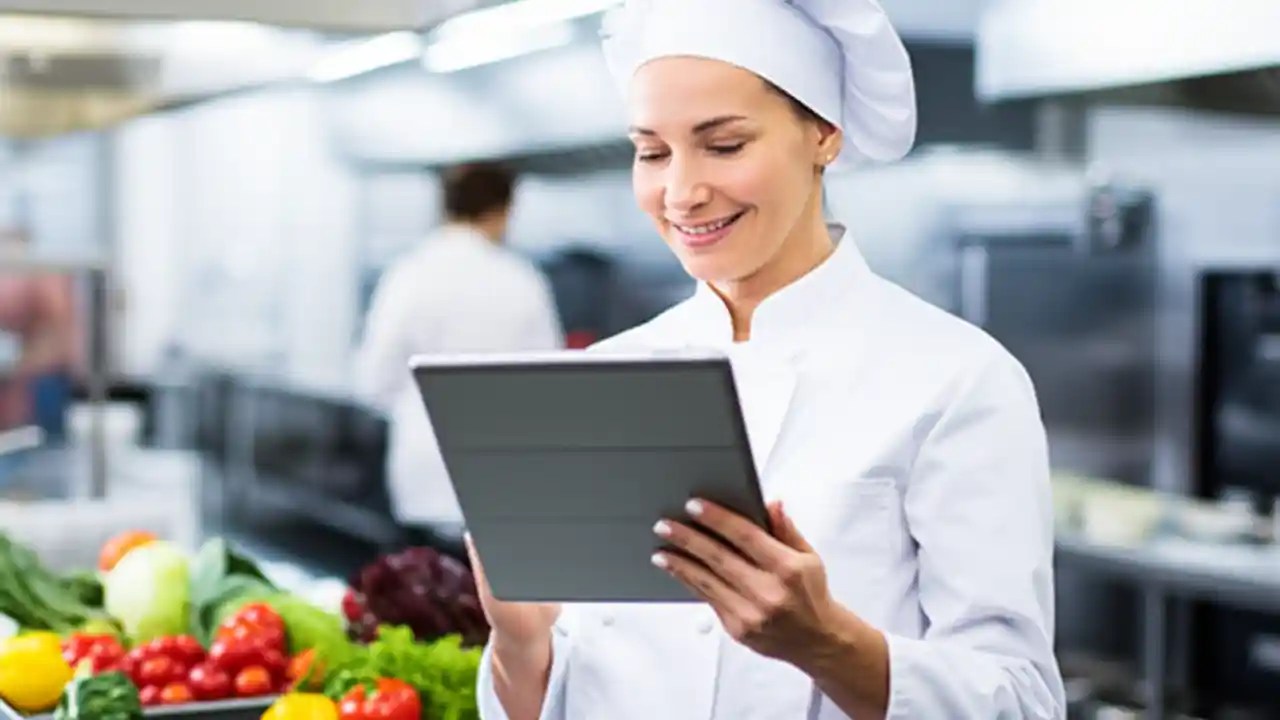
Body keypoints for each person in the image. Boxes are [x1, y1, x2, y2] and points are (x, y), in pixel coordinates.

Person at [468, 1, 1065, 719]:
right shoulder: (608, 375)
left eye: (724, 145)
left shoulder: (956, 378)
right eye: (652, 153)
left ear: (824, 133)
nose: (681, 193)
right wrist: (521, 645)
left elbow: (1022, 701)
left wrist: (829, 643)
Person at [355, 162, 564, 559]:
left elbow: (374, 380)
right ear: (503, 209)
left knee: (423, 589)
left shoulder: (409, 274)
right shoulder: (521, 280)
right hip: (499, 480)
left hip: (422, 471)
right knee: (488, 594)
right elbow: (548, 384)